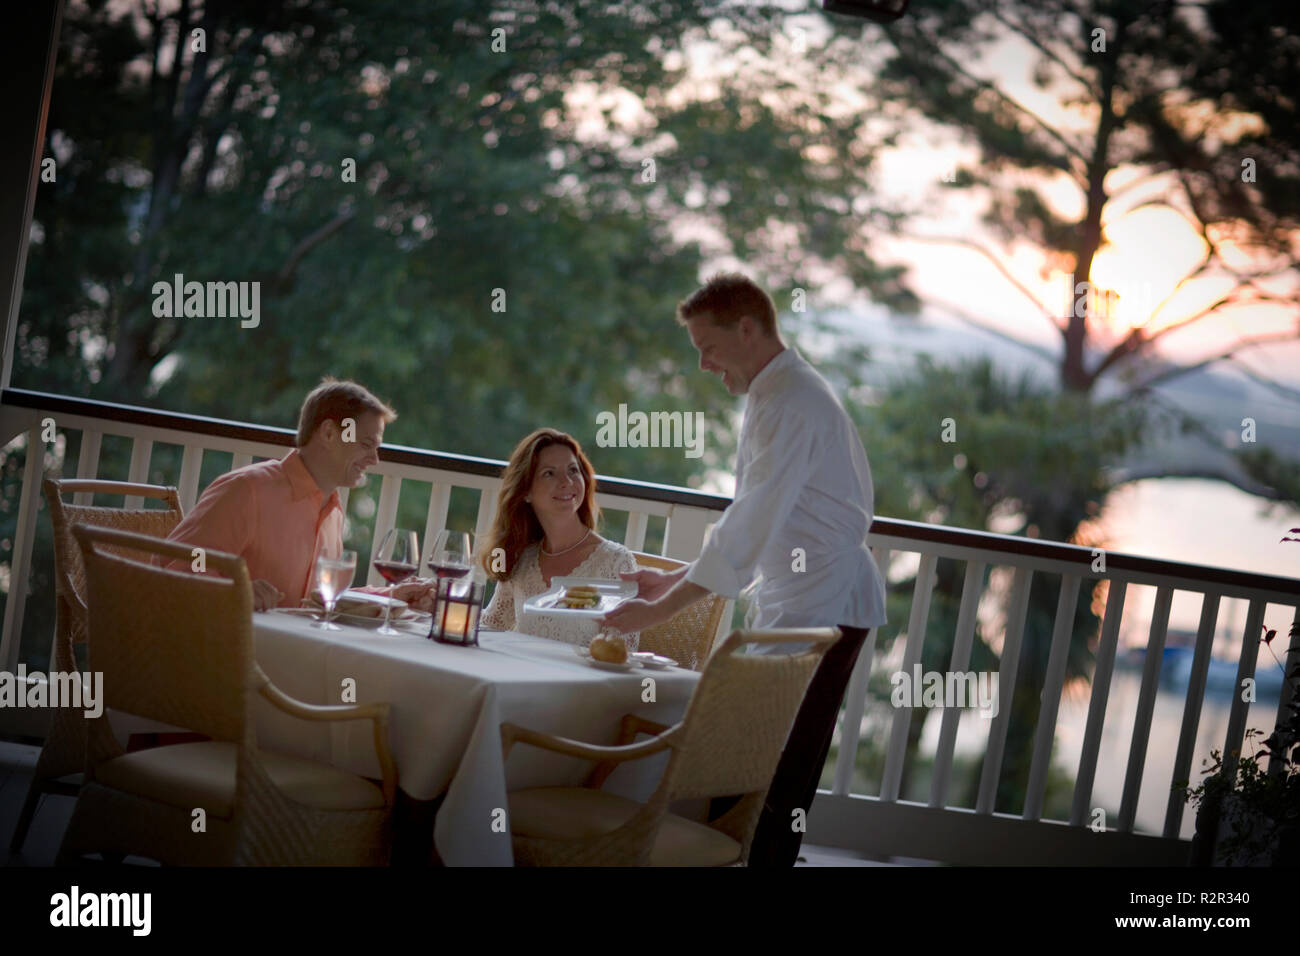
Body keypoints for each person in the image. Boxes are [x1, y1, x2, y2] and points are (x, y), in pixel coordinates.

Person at [601, 273, 887, 864]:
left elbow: (753, 520)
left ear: (747, 329)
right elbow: (758, 521)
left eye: (708, 347)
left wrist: (658, 610)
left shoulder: (794, 401)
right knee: (757, 760)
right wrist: (674, 578)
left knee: (778, 769)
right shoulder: (773, 392)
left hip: (825, 605)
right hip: (800, 600)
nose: (704, 364)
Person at [167, 378, 427, 612]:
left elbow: (321, 599)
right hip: (226, 645)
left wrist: (391, 597)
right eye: (366, 444)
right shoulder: (247, 490)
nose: (375, 459)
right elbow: (180, 562)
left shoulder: (333, 512)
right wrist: (234, 590)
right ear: (329, 433)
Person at [480, 428, 639, 649]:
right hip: (519, 670)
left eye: (573, 470)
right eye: (549, 473)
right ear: (525, 492)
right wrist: (440, 604)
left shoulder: (616, 562)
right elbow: (490, 627)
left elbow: (621, 652)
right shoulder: (520, 558)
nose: (566, 481)